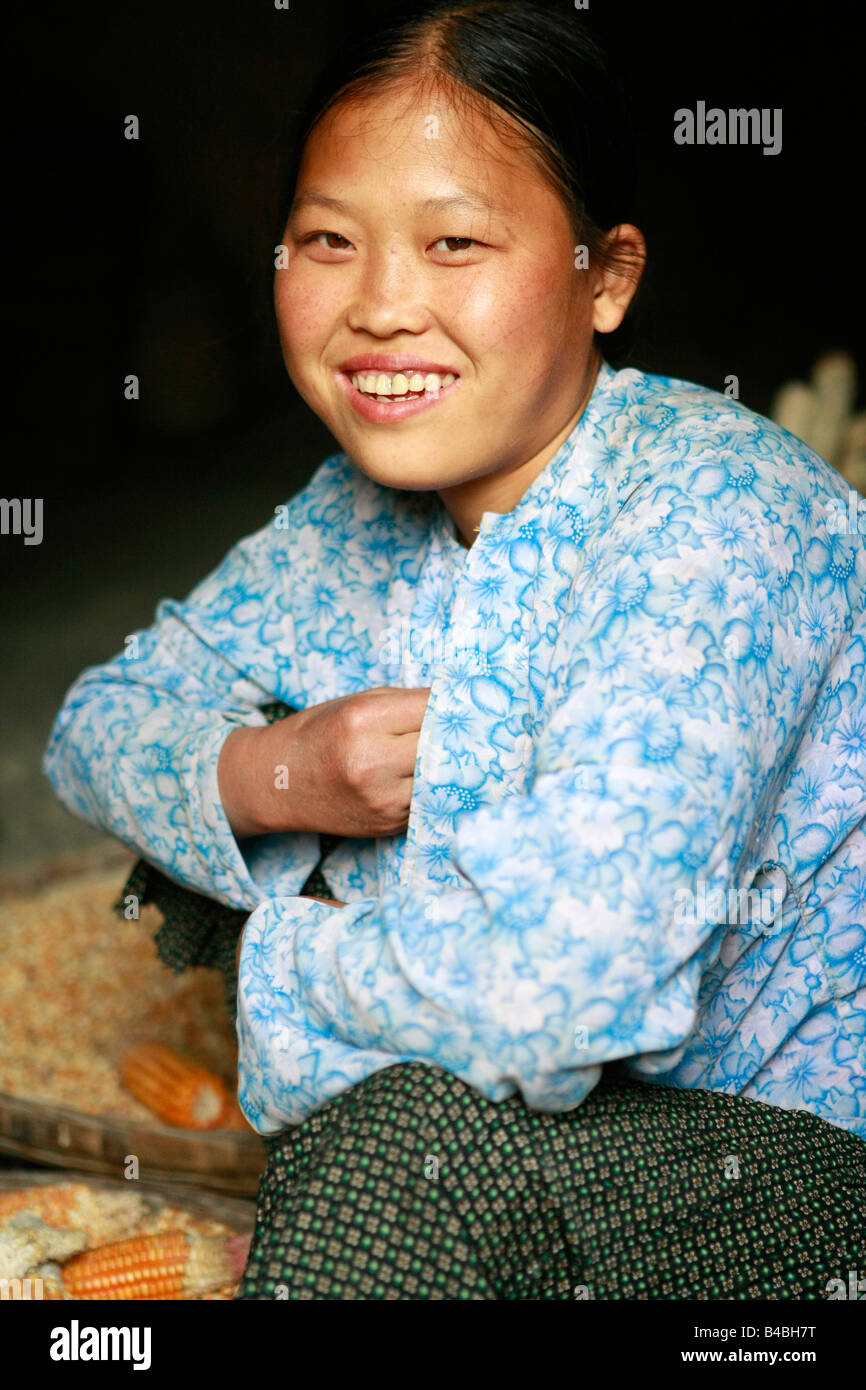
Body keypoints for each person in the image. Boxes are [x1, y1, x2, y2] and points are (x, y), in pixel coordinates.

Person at [44, 0, 864, 1299]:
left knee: (392, 1165)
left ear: (606, 277)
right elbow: (95, 722)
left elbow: (565, 992)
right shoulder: (347, 515)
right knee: (238, 841)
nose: (378, 305)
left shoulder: (715, 516)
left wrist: (286, 956)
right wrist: (288, 773)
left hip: (783, 1160)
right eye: (327, 240)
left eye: (453, 242)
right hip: (483, 1079)